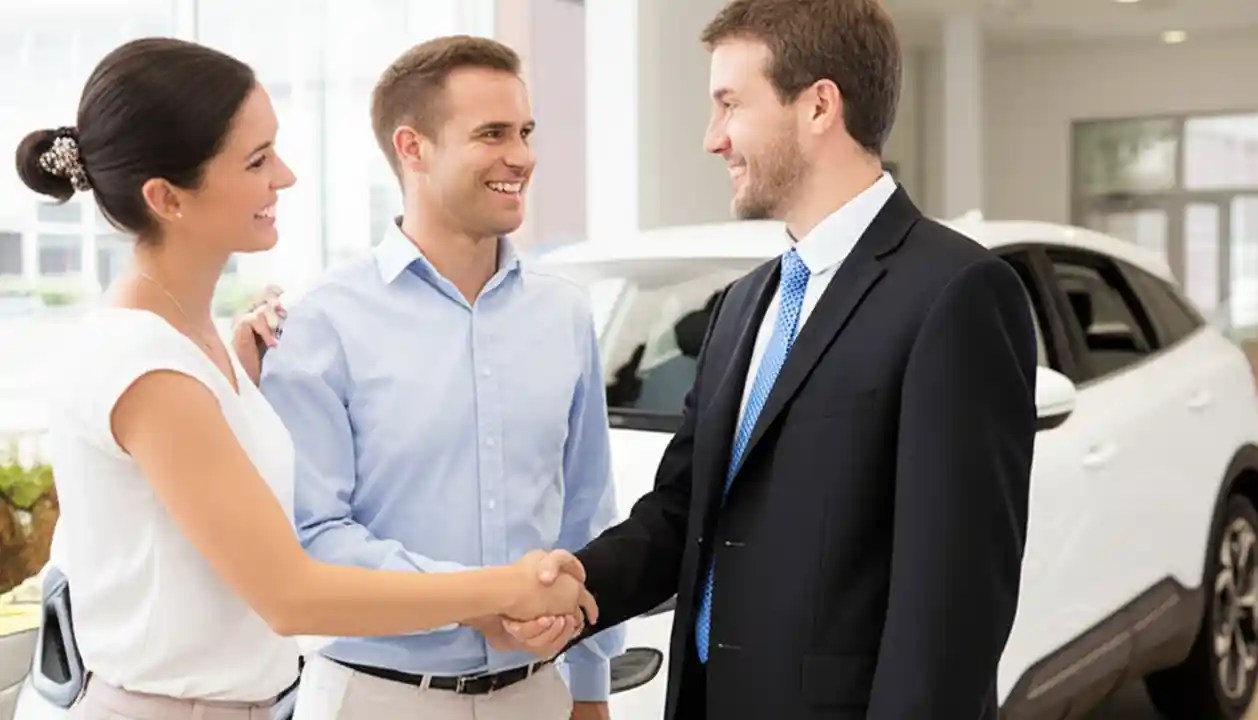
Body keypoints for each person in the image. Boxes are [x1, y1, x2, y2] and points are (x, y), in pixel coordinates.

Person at [18, 37, 594, 720]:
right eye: (258, 159)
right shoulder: (145, 364)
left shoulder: (212, 351)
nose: (285, 176)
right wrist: (500, 590)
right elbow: (292, 594)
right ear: (168, 198)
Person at [512, 1, 1039, 718]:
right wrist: (582, 583)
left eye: (729, 103)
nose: (712, 139)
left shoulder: (957, 295)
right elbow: (683, 508)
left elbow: (953, 609)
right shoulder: (742, 305)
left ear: (820, 105)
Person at [257, 35, 623, 720]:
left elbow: (586, 510)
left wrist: (590, 684)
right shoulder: (322, 323)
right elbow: (313, 533)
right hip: (376, 699)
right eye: (491, 134)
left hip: (541, 697)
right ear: (412, 148)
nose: (521, 156)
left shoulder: (565, 313)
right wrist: (482, 595)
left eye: (525, 131)